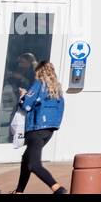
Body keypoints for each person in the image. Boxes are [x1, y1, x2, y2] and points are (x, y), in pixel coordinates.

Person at [12, 61, 66, 194]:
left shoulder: (38, 84)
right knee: (26, 159)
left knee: (33, 164)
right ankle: (19, 191)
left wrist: (22, 96)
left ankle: (57, 188)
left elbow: (26, 105)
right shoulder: (57, 89)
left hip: (36, 129)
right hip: (49, 130)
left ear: (39, 72)